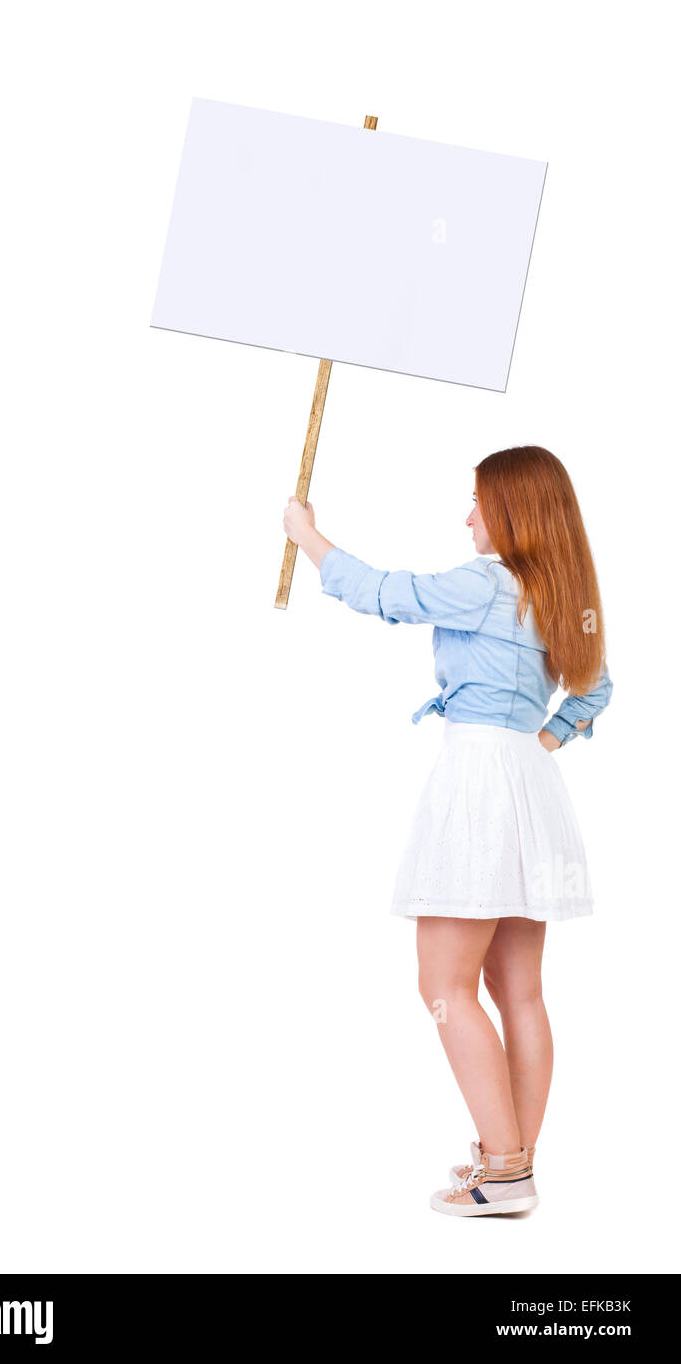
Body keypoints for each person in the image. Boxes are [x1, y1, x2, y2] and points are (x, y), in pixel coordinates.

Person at [282, 445, 612, 1218]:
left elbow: (386, 593)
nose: (467, 515)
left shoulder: (489, 584)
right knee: (518, 991)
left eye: (476, 501)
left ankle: (503, 1170)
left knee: (442, 986)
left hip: (477, 782)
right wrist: (540, 744)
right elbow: (597, 684)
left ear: (510, 509)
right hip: (530, 785)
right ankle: (512, 1165)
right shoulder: (557, 590)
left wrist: (306, 536)